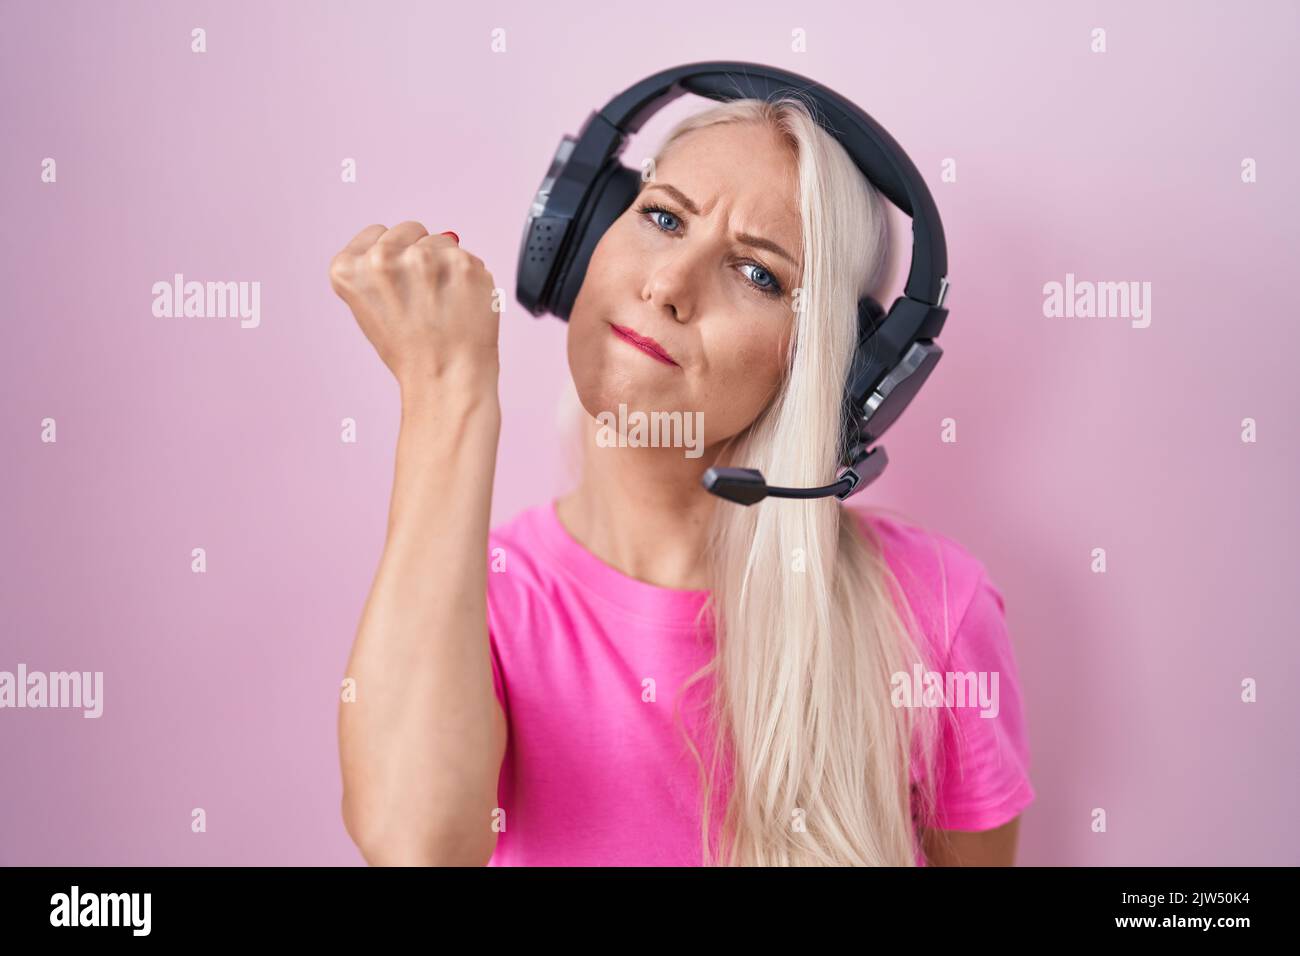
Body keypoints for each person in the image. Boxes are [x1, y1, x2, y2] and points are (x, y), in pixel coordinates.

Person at [332, 94, 1035, 867]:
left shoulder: (933, 612)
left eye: (757, 274)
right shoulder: (478, 602)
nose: (669, 283)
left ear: (830, 368)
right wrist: (447, 388)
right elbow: (414, 844)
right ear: (579, 239)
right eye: (663, 217)